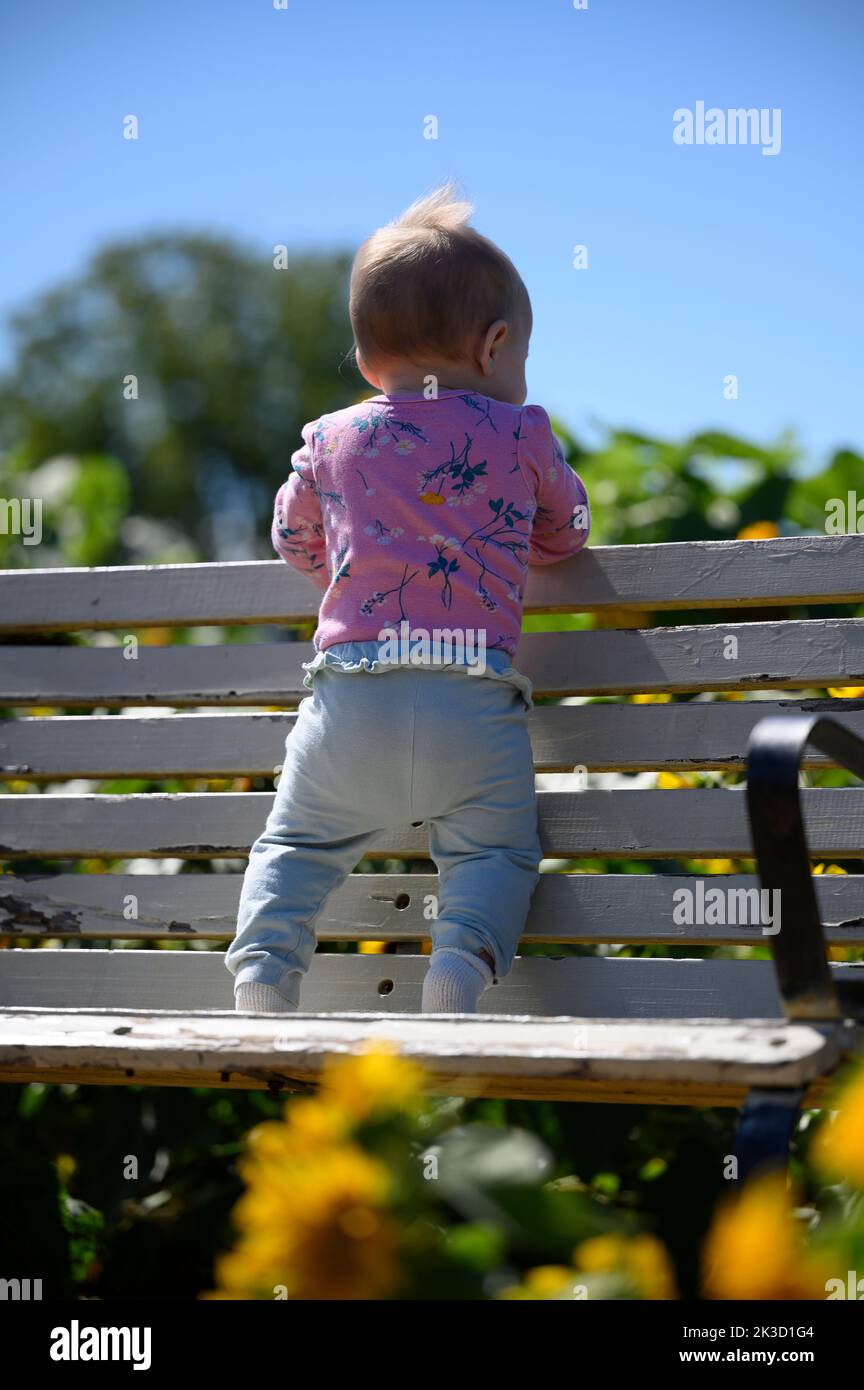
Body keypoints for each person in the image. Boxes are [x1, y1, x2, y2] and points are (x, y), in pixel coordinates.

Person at [226, 183, 590, 1014]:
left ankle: (263, 978)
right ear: (496, 346)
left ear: (365, 362)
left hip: (350, 706)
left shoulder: (331, 439)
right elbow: (567, 530)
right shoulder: (520, 432)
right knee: (494, 854)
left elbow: (292, 537)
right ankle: (457, 967)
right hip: (471, 702)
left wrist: (349, 567)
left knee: (293, 844)